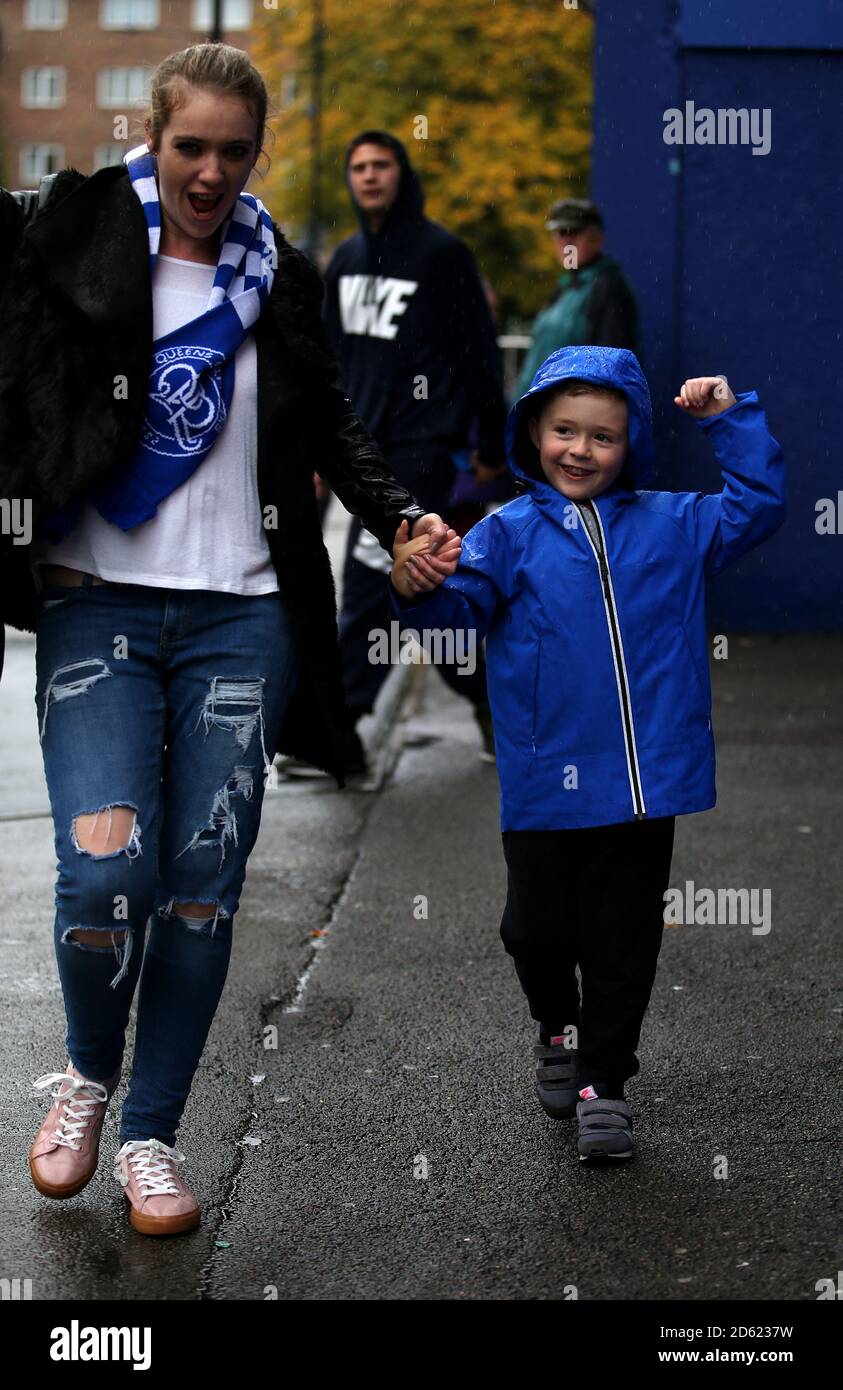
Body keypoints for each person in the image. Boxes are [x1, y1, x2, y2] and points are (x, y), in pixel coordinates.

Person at [0, 43, 446, 1235]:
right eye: (189, 146)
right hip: (97, 601)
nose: (209, 172)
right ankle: (86, 1075)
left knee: (200, 892)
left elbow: (329, 417)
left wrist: (401, 516)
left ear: (256, 154)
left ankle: (151, 1134)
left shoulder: (274, 271)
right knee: (105, 872)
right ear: (153, 139)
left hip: (242, 617)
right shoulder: (74, 235)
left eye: (233, 152)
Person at [388, 345, 785, 1163]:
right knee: (533, 932)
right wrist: (416, 584)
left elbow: (758, 505)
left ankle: (604, 1082)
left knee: (621, 944)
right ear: (533, 431)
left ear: (630, 442)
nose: (579, 450)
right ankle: (555, 1029)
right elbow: (455, 618)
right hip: (543, 780)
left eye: (602, 436)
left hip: (642, 787)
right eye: (563, 430)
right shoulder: (504, 533)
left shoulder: (675, 524)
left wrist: (726, 419)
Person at [318, 129, 508, 773]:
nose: (369, 175)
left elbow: (480, 356)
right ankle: (497, 705)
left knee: (373, 584)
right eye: (359, 166)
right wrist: (320, 452)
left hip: (423, 452)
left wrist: (492, 445)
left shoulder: (441, 255)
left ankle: (339, 731)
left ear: (402, 174)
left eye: (382, 164)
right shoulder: (345, 260)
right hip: (361, 455)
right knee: (423, 593)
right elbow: (330, 365)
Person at [514, 199, 639, 400]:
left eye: (573, 231)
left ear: (596, 238)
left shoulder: (607, 287)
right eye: (560, 232)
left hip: (566, 411)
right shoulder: (564, 288)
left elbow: (607, 373)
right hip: (539, 409)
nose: (566, 240)